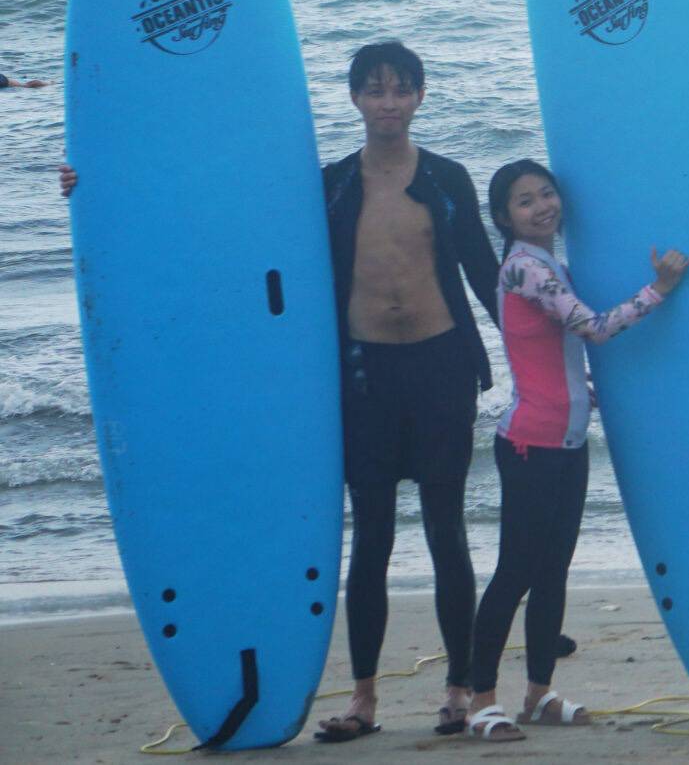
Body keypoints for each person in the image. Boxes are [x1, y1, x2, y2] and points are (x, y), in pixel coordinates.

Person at [63, 40, 501, 739]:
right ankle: (364, 698)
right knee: (372, 537)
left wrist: (544, 356)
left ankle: (459, 689)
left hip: (442, 367)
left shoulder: (448, 178)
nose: (388, 102)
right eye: (375, 89)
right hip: (364, 376)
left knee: (446, 532)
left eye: (401, 88)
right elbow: (228, 213)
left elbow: (485, 271)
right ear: (354, 98)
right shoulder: (329, 185)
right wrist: (98, 183)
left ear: (421, 95)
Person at [460, 160, 689, 741]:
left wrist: (592, 394)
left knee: (553, 571)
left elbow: (554, 356)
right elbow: (595, 328)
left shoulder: (549, 265)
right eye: (525, 201)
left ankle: (538, 693)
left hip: (567, 440)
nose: (542, 207)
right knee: (515, 572)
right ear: (503, 218)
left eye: (547, 194)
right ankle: (480, 700)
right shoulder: (526, 268)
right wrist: (660, 289)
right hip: (531, 444)